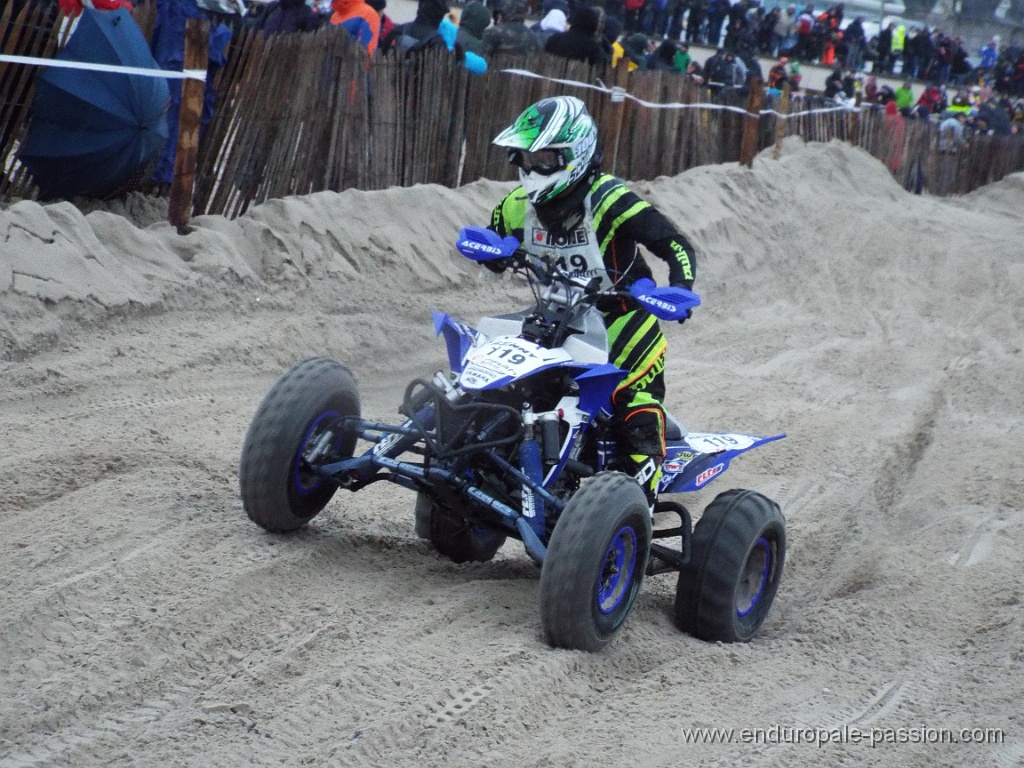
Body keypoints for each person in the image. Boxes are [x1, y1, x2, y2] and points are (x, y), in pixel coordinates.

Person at [482, 96, 698, 506]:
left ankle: (639, 505)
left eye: (544, 157)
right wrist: (493, 251)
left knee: (629, 401)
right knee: (500, 381)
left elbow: (673, 243)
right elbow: (496, 245)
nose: (532, 168)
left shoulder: (608, 199)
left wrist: (681, 287)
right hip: (557, 318)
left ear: (574, 154)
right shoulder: (516, 205)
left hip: (624, 321)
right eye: (524, 157)